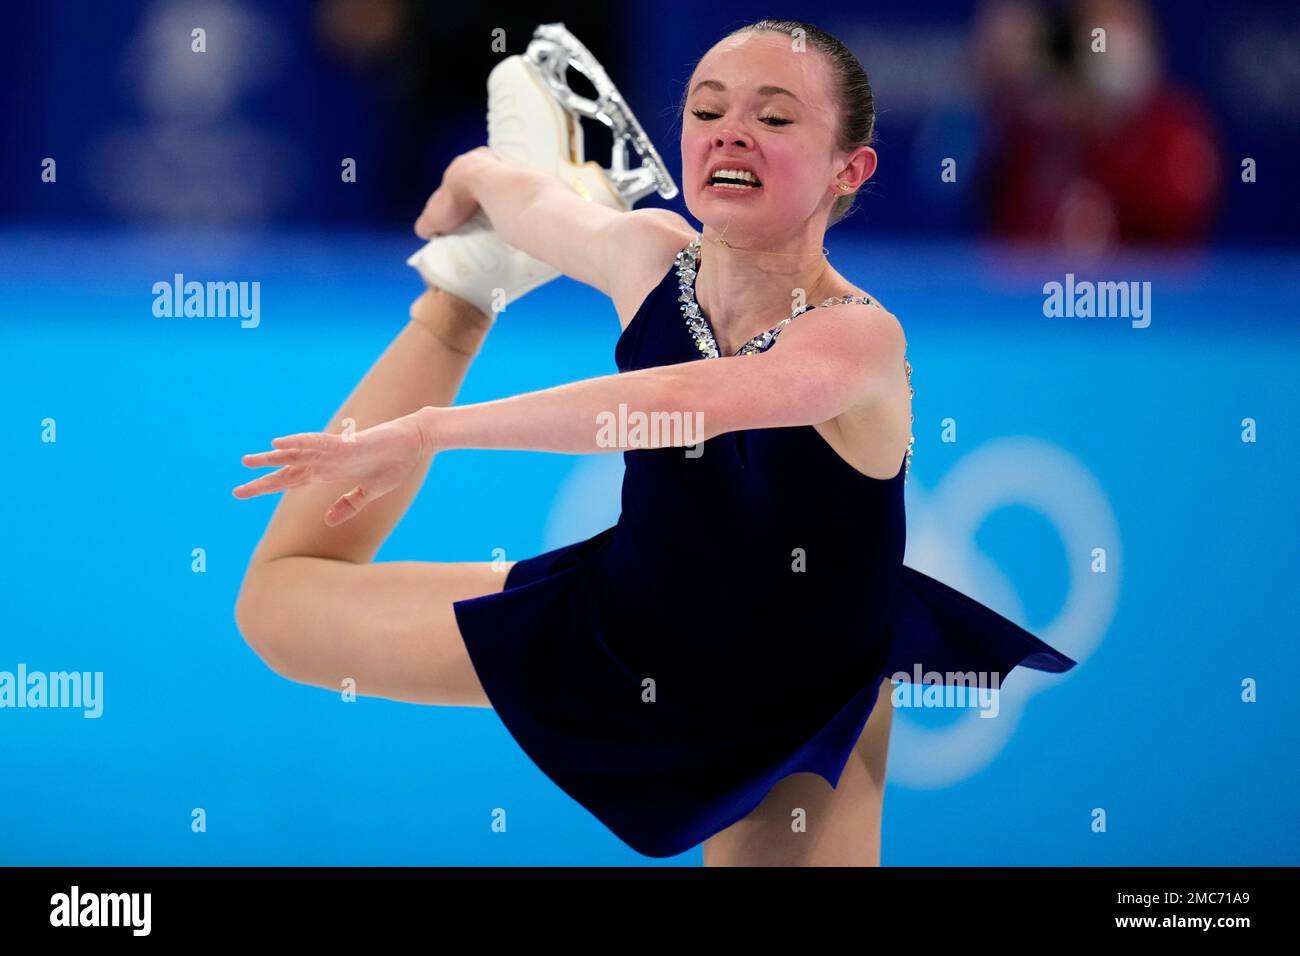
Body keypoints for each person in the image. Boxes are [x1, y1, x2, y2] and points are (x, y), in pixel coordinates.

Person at [233, 19, 1076, 865]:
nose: (732, 130)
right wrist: (480, 179)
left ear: (848, 169)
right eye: (708, 110)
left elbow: (676, 402)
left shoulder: (856, 340)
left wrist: (427, 434)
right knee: (278, 611)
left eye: (776, 119)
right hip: (619, 626)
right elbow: (542, 204)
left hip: (789, 700)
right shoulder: (650, 256)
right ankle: (460, 302)